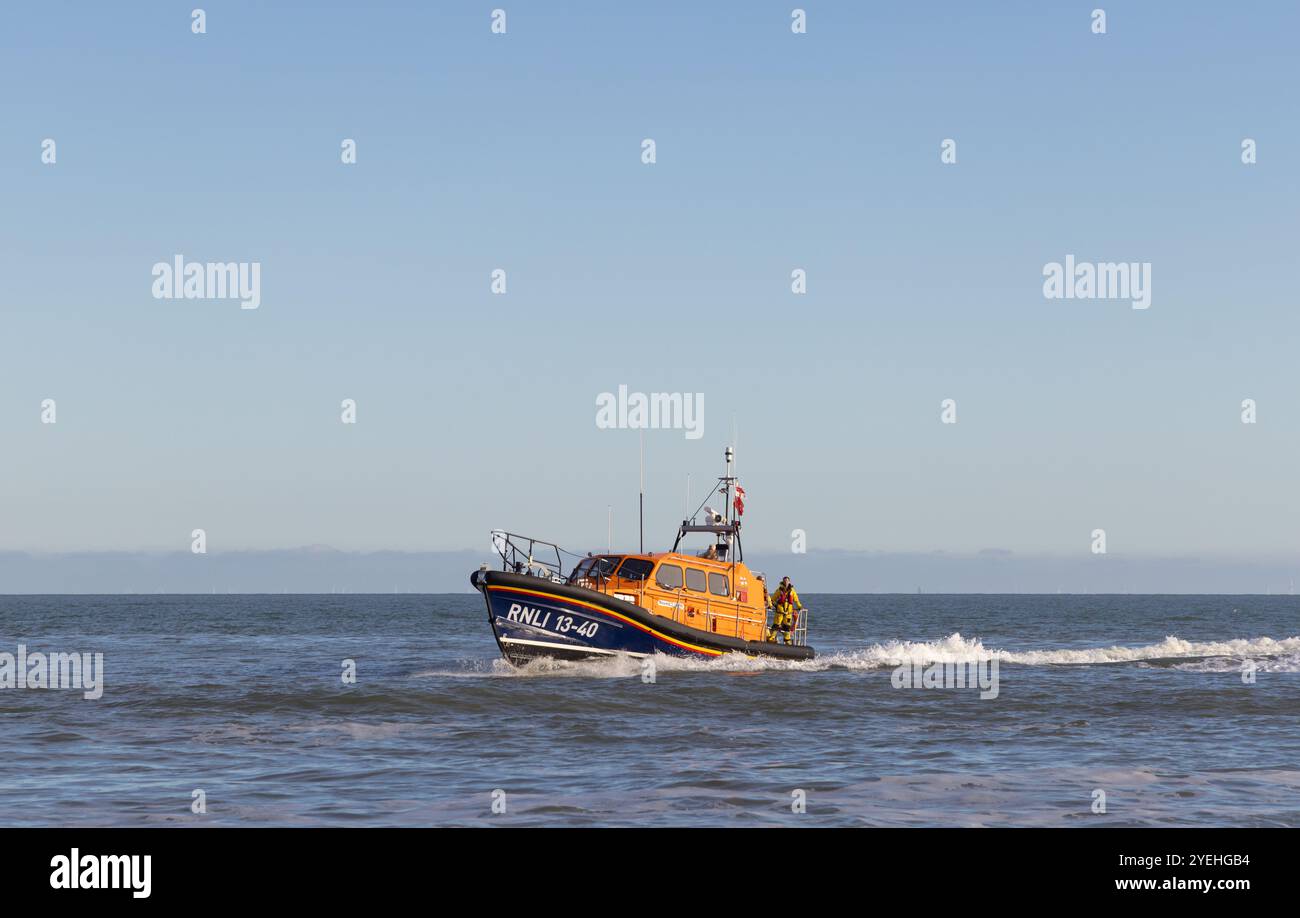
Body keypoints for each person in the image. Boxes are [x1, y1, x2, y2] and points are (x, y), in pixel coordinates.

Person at [768, 576, 803, 644]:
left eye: (787, 581)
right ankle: (772, 638)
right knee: (776, 625)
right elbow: (772, 599)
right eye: (785, 581)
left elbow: (796, 600)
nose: (786, 582)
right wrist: (775, 605)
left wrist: (800, 606)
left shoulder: (792, 591)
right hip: (780, 612)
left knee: (787, 627)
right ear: (783, 581)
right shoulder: (779, 590)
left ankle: (787, 641)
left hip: (788, 613)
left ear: (789, 582)